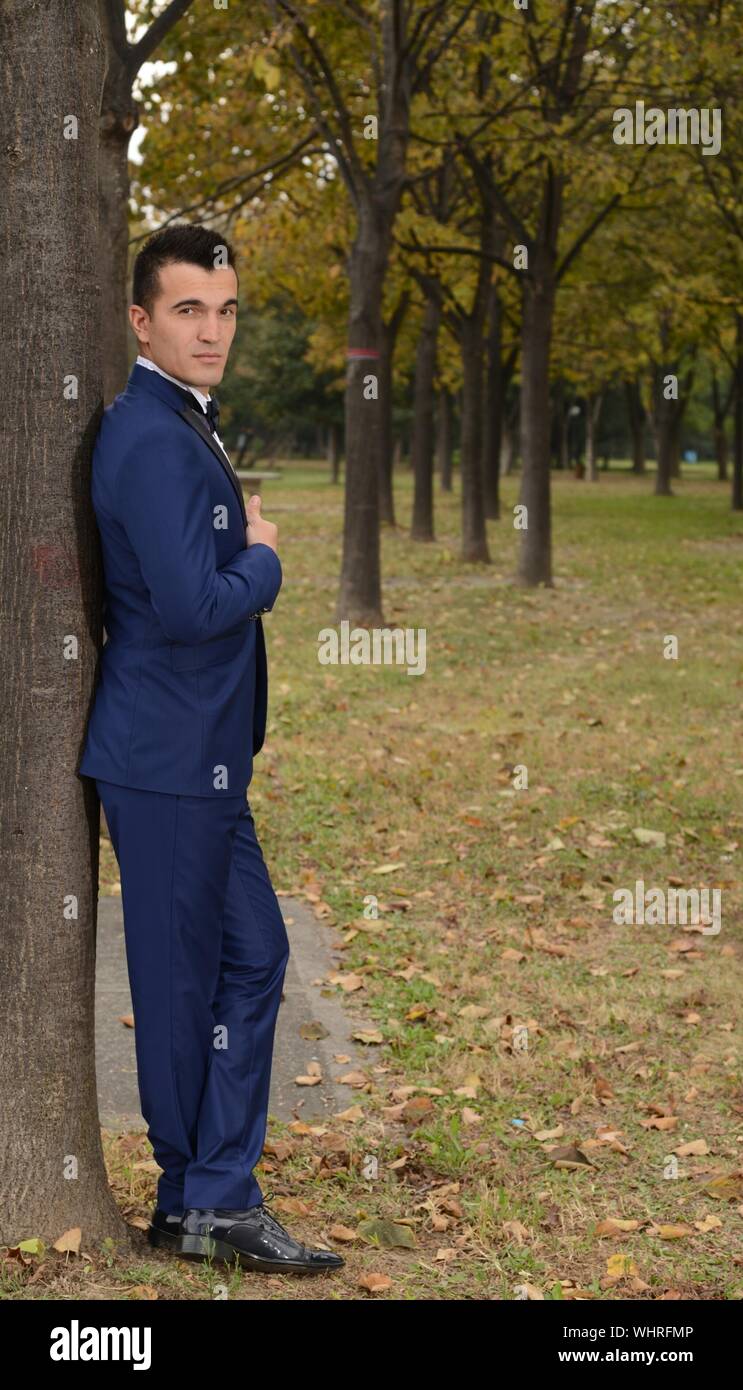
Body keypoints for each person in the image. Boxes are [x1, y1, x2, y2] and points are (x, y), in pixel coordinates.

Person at [78, 223, 343, 1276]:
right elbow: (190, 606)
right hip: (166, 757)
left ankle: (203, 1195)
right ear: (140, 319)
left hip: (192, 759)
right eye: (189, 309)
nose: (213, 329)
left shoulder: (174, 423)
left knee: (243, 960)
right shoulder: (146, 432)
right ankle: (203, 1200)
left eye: (226, 309)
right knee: (197, 977)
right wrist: (267, 560)